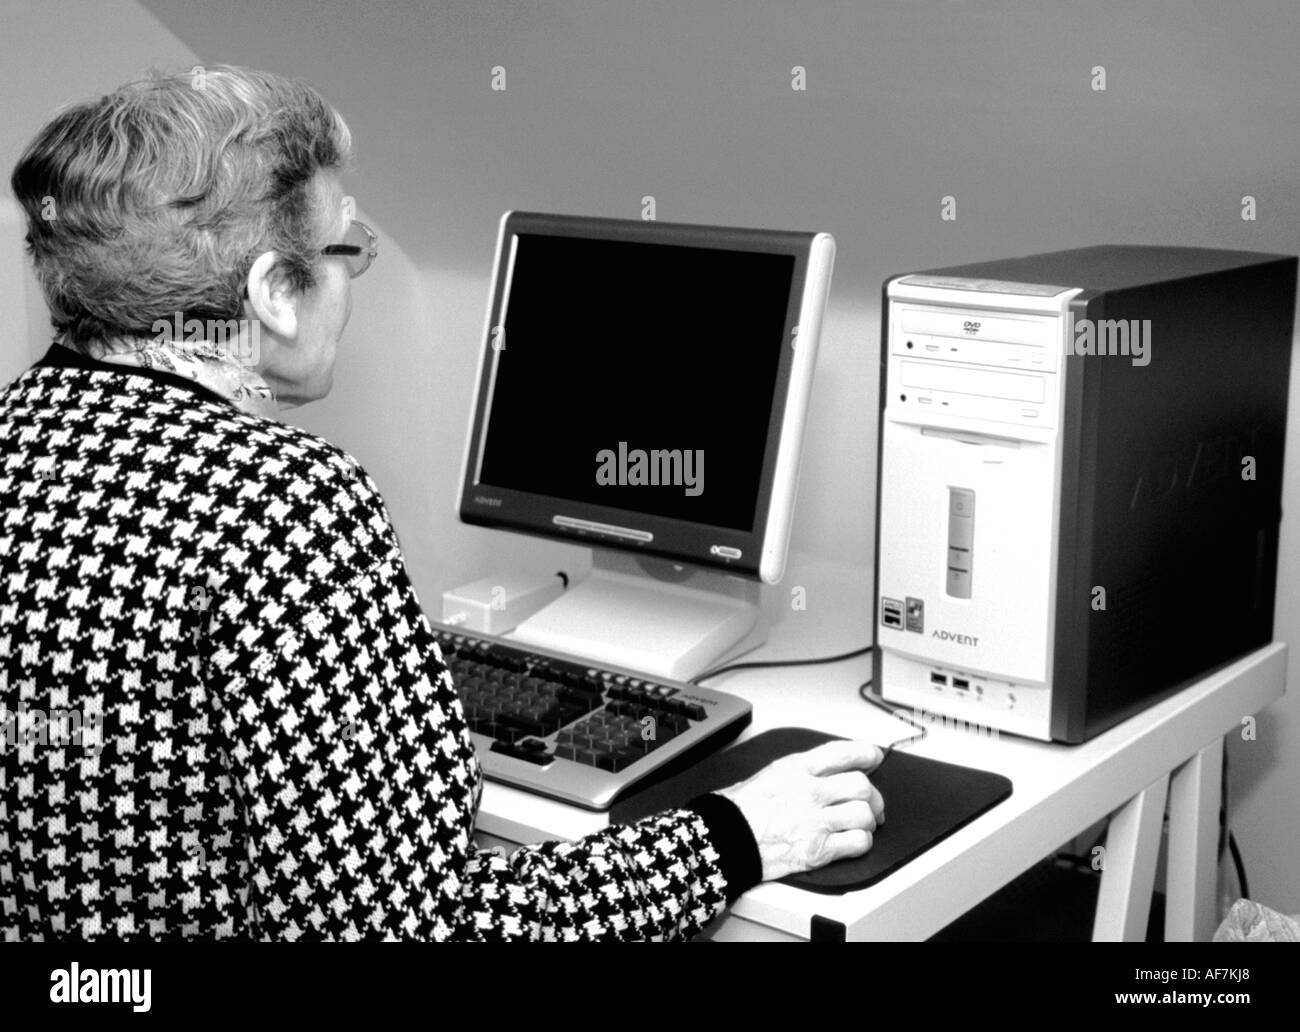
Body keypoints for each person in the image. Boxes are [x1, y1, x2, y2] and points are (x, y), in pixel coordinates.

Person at [0, 65, 884, 941]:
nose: (353, 281)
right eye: (345, 250)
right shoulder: (279, 504)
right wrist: (733, 837)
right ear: (273, 292)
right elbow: (418, 929)